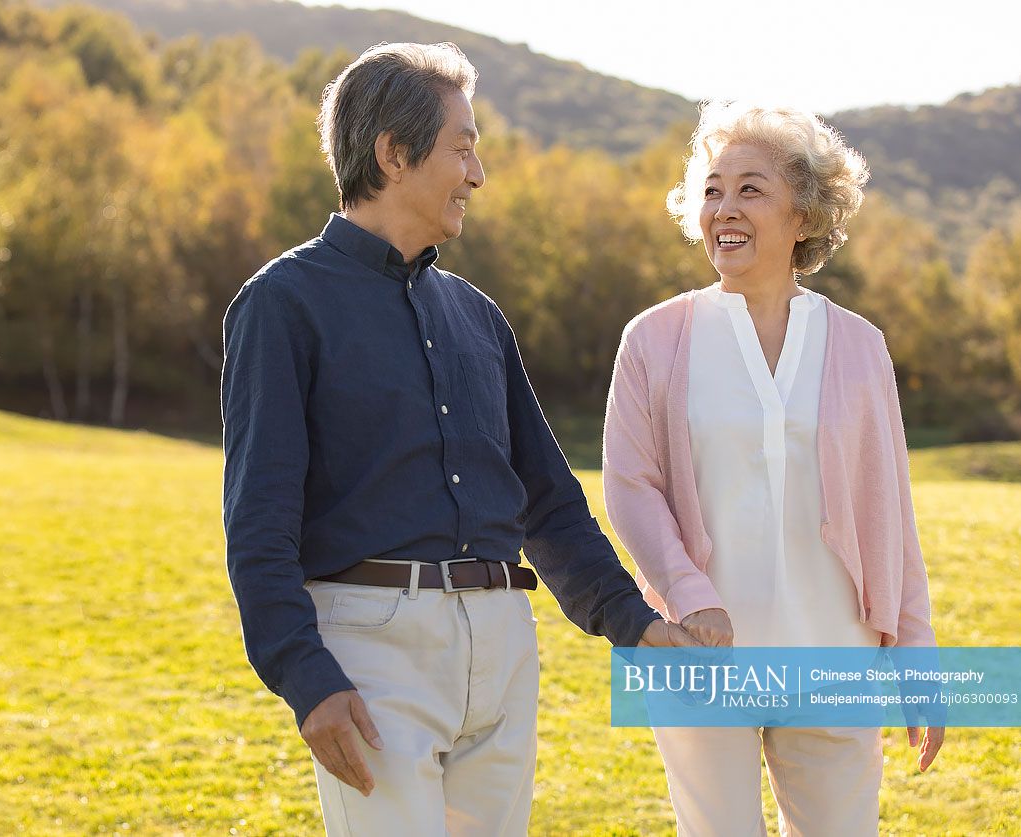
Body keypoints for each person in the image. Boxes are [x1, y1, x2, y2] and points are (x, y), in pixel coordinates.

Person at [222, 42, 696, 836]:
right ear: (393, 154)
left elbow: (545, 497)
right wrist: (306, 676)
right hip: (372, 649)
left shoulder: (477, 316)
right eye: (463, 148)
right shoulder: (281, 305)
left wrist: (632, 620)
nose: (477, 174)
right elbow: (258, 519)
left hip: (504, 644)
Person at [602, 101, 945, 835]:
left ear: (804, 214)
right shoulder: (655, 338)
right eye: (711, 189)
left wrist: (915, 653)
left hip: (834, 655)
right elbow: (630, 487)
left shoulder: (858, 345)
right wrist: (688, 594)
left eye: (750, 188)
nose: (723, 208)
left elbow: (891, 512)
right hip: (702, 655)